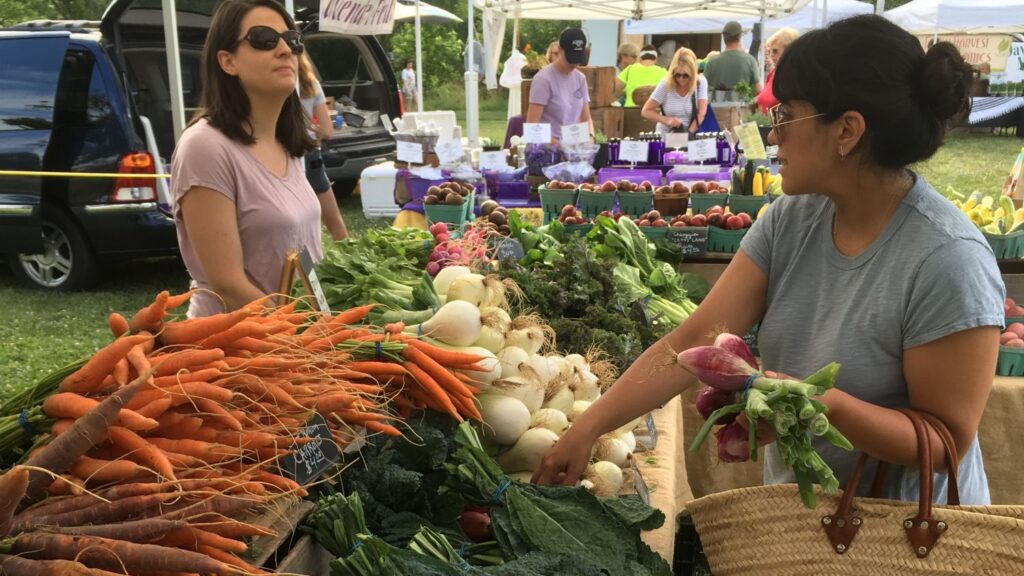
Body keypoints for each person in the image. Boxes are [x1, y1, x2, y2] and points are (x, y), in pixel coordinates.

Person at [534, 14, 1003, 506]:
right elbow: (695, 340)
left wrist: (826, 405)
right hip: (803, 526)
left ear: (846, 130)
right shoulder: (789, 221)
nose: (772, 135)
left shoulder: (948, 260)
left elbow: (945, 441)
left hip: (907, 539)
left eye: (785, 116)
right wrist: (589, 426)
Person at [170, 0, 322, 317]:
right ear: (228, 61)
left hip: (297, 345)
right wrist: (306, 334)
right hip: (236, 351)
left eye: (293, 40)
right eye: (264, 39)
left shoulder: (284, 142)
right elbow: (228, 285)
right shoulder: (205, 146)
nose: (285, 49)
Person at [298, 53, 348, 241]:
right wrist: (310, 129)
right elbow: (327, 132)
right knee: (336, 224)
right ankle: (351, 263)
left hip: (285, 156)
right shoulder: (311, 84)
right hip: (312, 154)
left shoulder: (273, 84)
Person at [527, 28, 593, 142]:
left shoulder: (580, 78)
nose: (574, 64)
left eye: (577, 59)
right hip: (548, 150)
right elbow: (533, 125)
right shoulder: (543, 79)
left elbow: (586, 118)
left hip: (573, 146)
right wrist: (558, 145)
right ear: (559, 50)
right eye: (570, 58)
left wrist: (591, 137)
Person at [641, 47, 707, 136]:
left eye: (686, 75)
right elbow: (646, 111)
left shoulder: (700, 82)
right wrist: (667, 120)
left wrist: (688, 134)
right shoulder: (666, 84)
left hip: (690, 133)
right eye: (677, 75)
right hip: (667, 134)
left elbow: (701, 113)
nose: (681, 79)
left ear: (693, 74)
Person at [703, 21, 762, 95]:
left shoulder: (711, 62)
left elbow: (702, 89)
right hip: (743, 106)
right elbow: (758, 90)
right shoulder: (750, 60)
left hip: (715, 106)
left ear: (724, 38)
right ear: (739, 37)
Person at [756, 28, 799, 114]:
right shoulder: (773, 73)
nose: (771, 55)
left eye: (775, 51)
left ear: (788, 51)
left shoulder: (795, 78)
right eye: (770, 51)